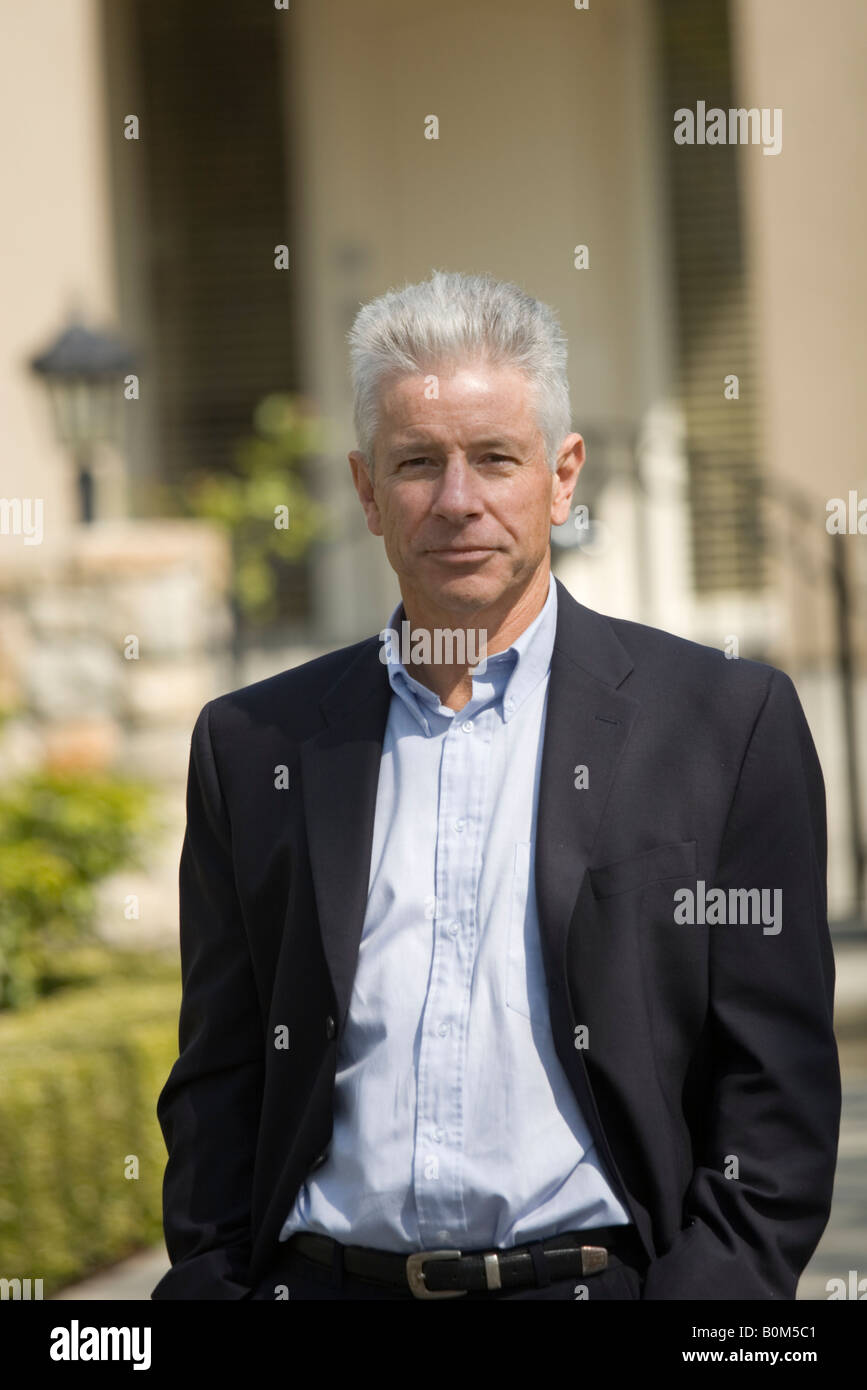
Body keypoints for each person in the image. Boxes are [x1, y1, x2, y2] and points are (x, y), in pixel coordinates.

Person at [152, 270, 840, 1301]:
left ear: (562, 477)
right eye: (419, 462)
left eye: (495, 459)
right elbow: (218, 1074)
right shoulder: (254, 745)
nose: (458, 499)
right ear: (366, 489)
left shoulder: (724, 726)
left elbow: (775, 1097)